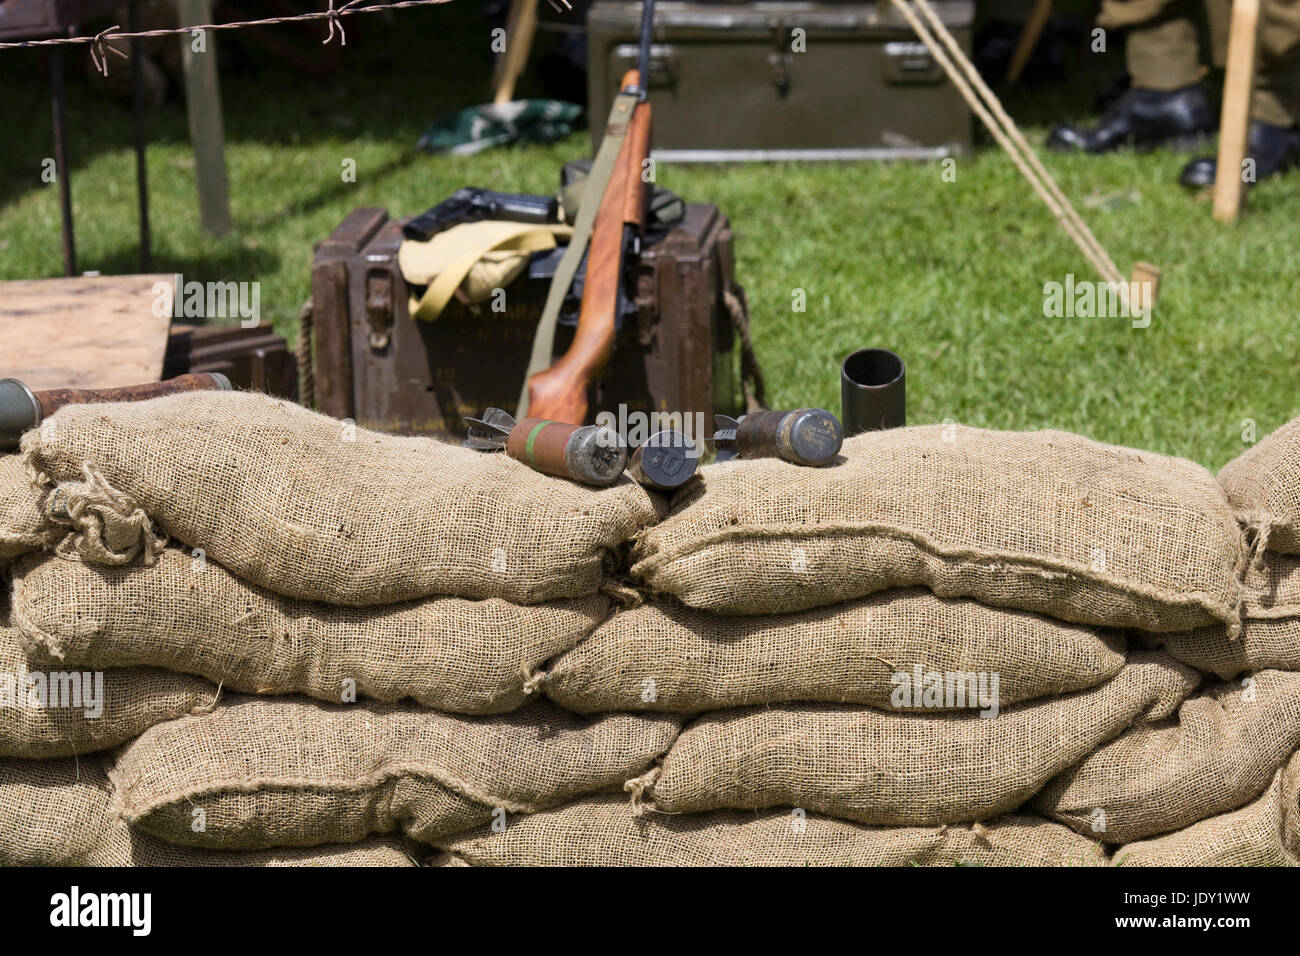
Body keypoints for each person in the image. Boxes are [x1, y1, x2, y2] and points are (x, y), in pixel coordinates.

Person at [1047, 0, 1300, 187]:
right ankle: (1162, 90)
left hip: (1277, 86)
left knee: (1276, 16)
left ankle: (1273, 112)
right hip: (1158, 69)